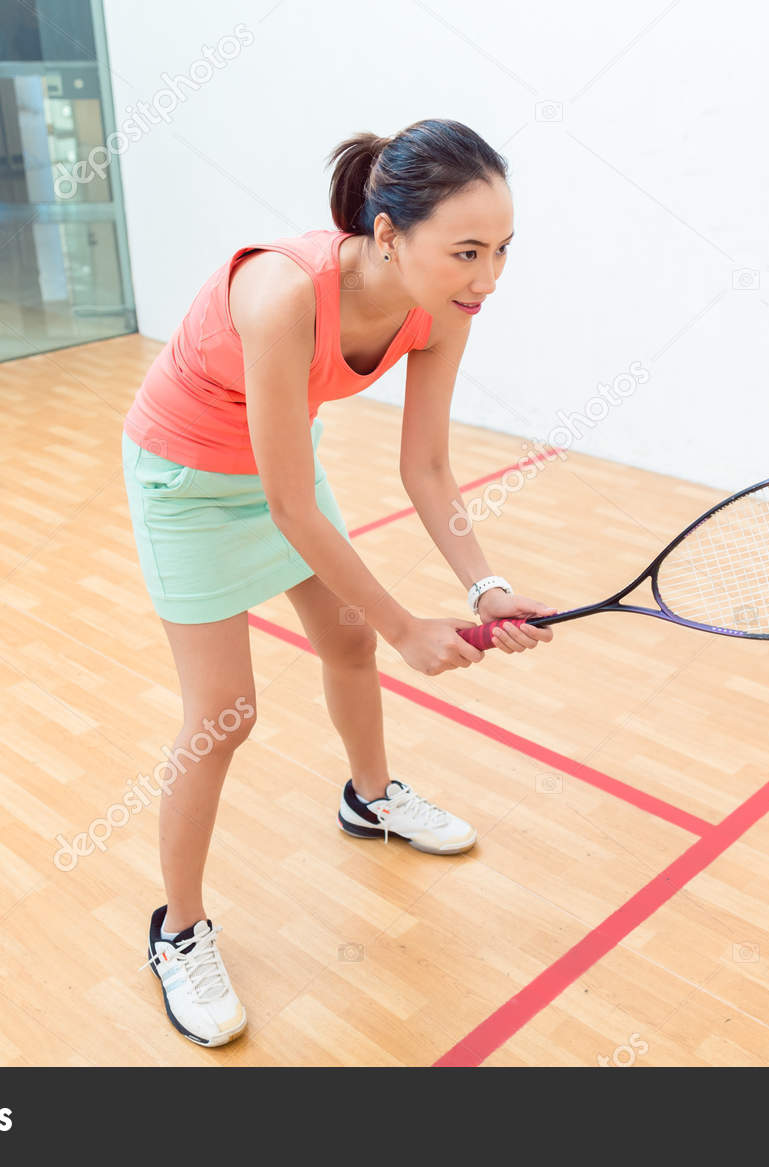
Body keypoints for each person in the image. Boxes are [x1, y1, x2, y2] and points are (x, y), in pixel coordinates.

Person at [121, 118, 554, 1046]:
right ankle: (178, 931)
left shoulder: (443, 309)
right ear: (390, 233)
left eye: (504, 249)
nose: (490, 277)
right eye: (467, 251)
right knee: (224, 712)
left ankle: (371, 798)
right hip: (187, 480)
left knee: (346, 637)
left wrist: (486, 587)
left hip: (277, 461)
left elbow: (429, 468)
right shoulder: (282, 292)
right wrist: (408, 625)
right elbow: (287, 504)